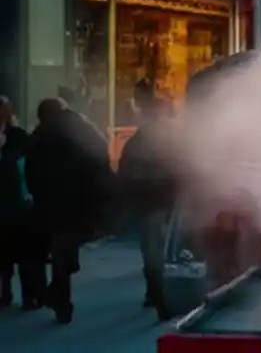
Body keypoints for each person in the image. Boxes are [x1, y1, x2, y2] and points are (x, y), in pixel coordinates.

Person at [24, 97, 113, 323]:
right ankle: (59, 295)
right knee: (65, 248)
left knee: (59, 249)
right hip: (78, 201)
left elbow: (31, 168)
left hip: (54, 203)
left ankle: (58, 296)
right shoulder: (81, 128)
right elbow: (101, 153)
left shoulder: (42, 134)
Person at [116, 82, 180, 320]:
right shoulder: (172, 139)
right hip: (164, 198)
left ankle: (155, 291)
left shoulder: (138, 141)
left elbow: (125, 172)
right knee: (161, 248)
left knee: (153, 248)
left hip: (152, 200)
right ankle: (160, 294)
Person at [1, 96, 43, 310]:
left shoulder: (17, 137)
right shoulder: (18, 137)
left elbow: (32, 164)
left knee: (23, 252)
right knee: (9, 253)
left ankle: (26, 294)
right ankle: (8, 291)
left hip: (19, 203)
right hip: (12, 203)